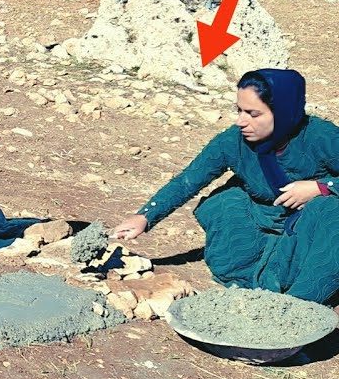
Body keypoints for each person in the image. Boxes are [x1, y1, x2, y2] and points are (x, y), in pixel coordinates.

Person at [113, 69, 339, 304]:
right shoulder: (234, 141)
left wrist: (321, 187)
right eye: (239, 110)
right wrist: (145, 217)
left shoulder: (322, 138)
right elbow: (189, 180)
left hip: (309, 228)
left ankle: (300, 307)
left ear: (283, 112)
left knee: (331, 211)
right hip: (261, 219)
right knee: (227, 201)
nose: (240, 121)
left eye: (253, 114)